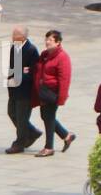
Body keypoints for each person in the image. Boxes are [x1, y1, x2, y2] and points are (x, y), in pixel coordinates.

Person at [34, 28, 75, 157]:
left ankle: (49, 147)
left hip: (53, 93)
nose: (47, 42)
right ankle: (66, 136)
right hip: (43, 91)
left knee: (49, 117)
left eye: (50, 40)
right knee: (46, 116)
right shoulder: (45, 55)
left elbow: (65, 79)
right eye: (46, 39)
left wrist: (61, 98)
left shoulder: (62, 57)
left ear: (58, 42)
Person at [4, 27, 42, 153]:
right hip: (14, 89)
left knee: (21, 118)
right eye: (13, 37)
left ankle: (19, 143)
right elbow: (12, 67)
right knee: (12, 112)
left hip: (26, 91)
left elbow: (34, 72)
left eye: (16, 37)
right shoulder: (14, 48)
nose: (13, 39)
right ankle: (32, 132)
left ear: (23, 38)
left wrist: (21, 74)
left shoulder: (31, 50)